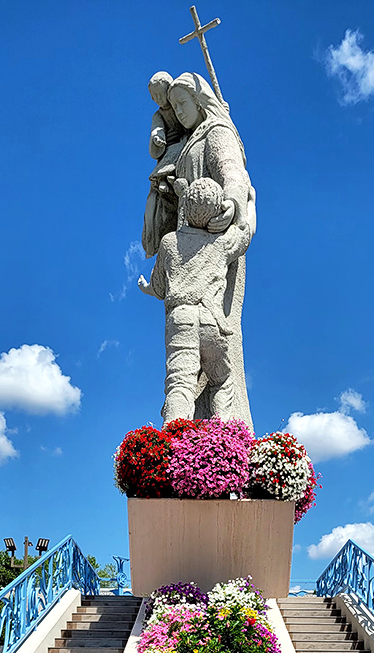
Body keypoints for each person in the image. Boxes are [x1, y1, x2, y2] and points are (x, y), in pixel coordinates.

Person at [138, 177, 250, 423]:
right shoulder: (220, 243)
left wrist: (147, 288)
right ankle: (225, 439)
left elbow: (159, 286)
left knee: (180, 384)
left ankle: (175, 448)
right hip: (212, 320)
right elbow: (244, 233)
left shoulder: (169, 243)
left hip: (181, 319)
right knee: (222, 380)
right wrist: (247, 201)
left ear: (185, 208)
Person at [141, 72, 186, 258]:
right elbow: (157, 129)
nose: (159, 100)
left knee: (179, 150)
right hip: (169, 149)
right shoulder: (158, 115)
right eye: (155, 97)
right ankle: (163, 179)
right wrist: (159, 138)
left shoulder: (180, 104)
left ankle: (164, 178)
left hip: (185, 143)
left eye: (161, 94)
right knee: (172, 153)